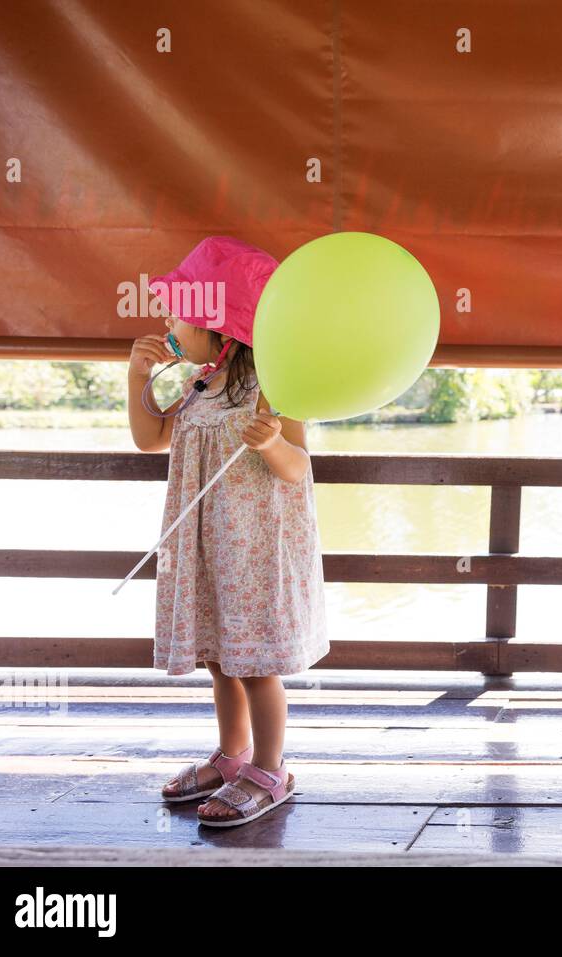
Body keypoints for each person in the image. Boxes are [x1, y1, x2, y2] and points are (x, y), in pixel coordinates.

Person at [126, 235, 329, 827]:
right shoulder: (195, 382)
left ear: (222, 329)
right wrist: (135, 375)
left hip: (256, 548)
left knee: (254, 663)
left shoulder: (272, 385)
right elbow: (151, 438)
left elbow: (300, 468)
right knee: (220, 657)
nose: (168, 320)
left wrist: (272, 444)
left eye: (180, 314)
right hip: (206, 546)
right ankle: (233, 754)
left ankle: (271, 768)